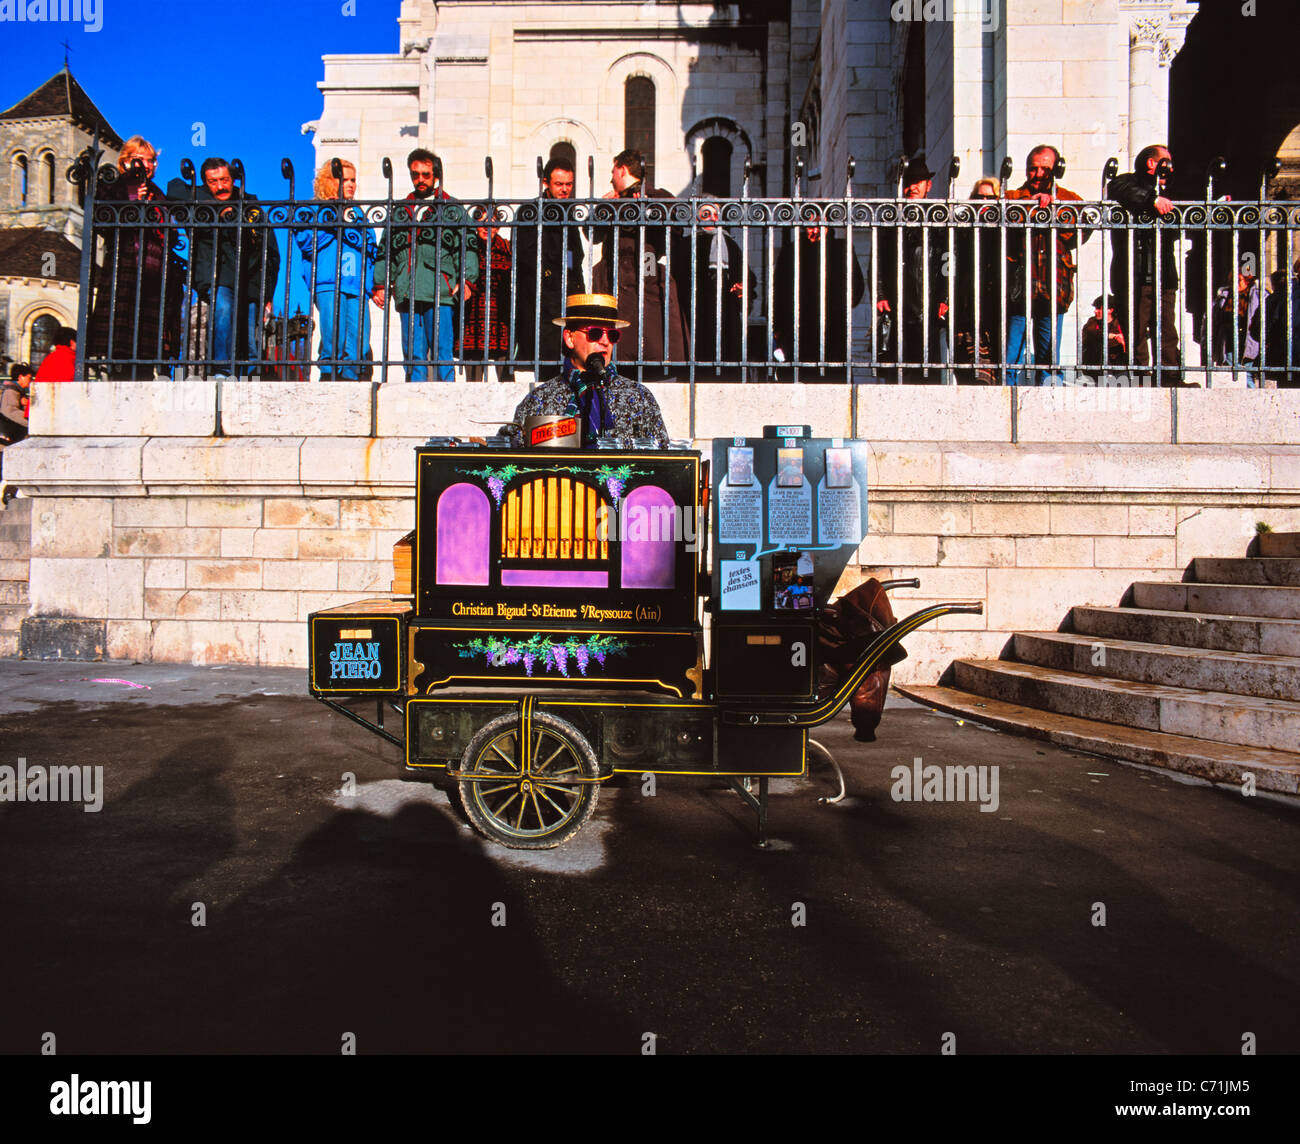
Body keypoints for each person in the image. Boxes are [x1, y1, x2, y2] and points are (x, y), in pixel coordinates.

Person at [505, 293, 669, 448]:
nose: (605, 341)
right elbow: (513, 451)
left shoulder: (638, 396)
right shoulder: (540, 399)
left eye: (612, 335)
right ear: (570, 338)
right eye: (595, 333)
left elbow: (661, 454)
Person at [375, 149, 478, 382]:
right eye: (415, 175)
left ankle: (447, 401)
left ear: (436, 175)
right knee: (412, 355)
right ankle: (413, 400)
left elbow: (469, 245)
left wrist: (467, 280)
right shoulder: (401, 210)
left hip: (439, 290)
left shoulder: (452, 208)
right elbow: (386, 248)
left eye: (426, 174)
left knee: (442, 355)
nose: (420, 180)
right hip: (406, 289)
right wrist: (380, 283)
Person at [87, 136, 185, 379]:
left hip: (157, 273)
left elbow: (170, 235)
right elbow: (101, 221)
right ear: (125, 161)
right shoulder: (114, 186)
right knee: (121, 340)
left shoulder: (158, 195)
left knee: (147, 343)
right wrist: (131, 201)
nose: (146, 165)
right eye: (139, 159)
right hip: (127, 269)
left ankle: (143, 375)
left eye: (150, 160)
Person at [593, 149, 688, 377]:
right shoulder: (613, 201)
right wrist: (603, 207)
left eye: (613, 171)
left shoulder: (657, 196)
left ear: (622, 169)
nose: (611, 177)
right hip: (614, 279)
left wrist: (649, 206)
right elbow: (593, 235)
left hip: (647, 275)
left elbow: (676, 229)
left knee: (651, 337)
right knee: (620, 341)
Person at [183, 157, 281, 378]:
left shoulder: (250, 205)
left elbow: (271, 251)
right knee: (225, 310)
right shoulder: (198, 201)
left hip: (251, 280)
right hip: (219, 276)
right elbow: (175, 188)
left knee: (250, 337)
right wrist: (215, 208)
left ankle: (250, 379)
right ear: (205, 183)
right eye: (213, 181)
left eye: (224, 180)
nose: (220, 186)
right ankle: (222, 370)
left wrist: (268, 292)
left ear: (233, 179)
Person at [1004, 145, 1085, 386]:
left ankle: (1047, 402)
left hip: (1054, 286)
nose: (1038, 174)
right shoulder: (1013, 197)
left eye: (1045, 169)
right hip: (1019, 287)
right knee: (1010, 356)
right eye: (1033, 169)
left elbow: (1079, 233)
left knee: (1049, 358)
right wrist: (1031, 205)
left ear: (1057, 170)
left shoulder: (1069, 198)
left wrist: (1054, 206)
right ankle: (1006, 398)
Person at [294, 159, 381, 380]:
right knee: (334, 335)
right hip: (328, 282)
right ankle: (329, 375)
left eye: (353, 180)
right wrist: (333, 216)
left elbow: (370, 251)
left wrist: (373, 285)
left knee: (359, 339)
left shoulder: (358, 214)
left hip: (357, 285)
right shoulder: (312, 209)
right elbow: (306, 242)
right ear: (328, 181)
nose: (351, 184)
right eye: (345, 179)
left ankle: (350, 378)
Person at [1108, 144, 1184, 385]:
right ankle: (1141, 376)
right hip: (1134, 271)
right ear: (1152, 163)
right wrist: (1152, 199)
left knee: (1167, 329)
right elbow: (1119, 188)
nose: (1170, 167)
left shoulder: (1170, 188)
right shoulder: (1126, 182)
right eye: (1166, 161)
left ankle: (1170, 374)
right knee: (1137, 328)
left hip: (1164, 272)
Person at [512, 157, 586, 368]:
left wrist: (576, 285)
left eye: (569, 184)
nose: (565, 189)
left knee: (567, 355)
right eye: (559, 184)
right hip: (538, 297)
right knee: (540, 358)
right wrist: (550, 271)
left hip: (567, 294)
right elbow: (524, 254)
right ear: (546, 182)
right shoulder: (530, 211)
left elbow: (576, 255)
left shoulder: (570, 211)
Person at [874, 155, 941, 381]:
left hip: (929, 305)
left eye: (918, 182)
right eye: (908, 182)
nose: (912, 188)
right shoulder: (892, 219)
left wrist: (946, 298)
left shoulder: (938, 218)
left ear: (928, 185)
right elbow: (878, 260)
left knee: (927, 368)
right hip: (897, 303)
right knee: (896, 368)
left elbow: (948, 261)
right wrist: (881, 293)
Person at [683, 198, 754, 380]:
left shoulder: (729, 244)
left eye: (716, 214)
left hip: (725, 308)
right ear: (697, 218)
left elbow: (747, 275)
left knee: (727, 357)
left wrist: (741, 286)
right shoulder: (688, 243)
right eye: (707, 214)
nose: (713, 219)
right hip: (696, 309)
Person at [948, 178, 1002, 384]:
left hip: (993, 314)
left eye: (991, 197)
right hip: (964, 311)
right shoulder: (961, 230)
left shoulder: (1003, 231)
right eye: (980, 197)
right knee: (964, 371)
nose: (985, 202)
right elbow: (949, 263)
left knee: (988, 376)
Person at [463, 206, 513, 382]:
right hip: (473, 315)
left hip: (500, 316)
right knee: (474, 377)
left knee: (505, 373)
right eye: (482, 223)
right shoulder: (468, 248)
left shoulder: (507, 248)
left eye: (492, 224)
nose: (486, 228)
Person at [1080, 295, 1127, 380]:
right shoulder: (1092, 322)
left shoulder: (1119, 323)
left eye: (1099, 308)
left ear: (1110, 310)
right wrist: (1112, 336)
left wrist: (1123, 342)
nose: (1095, 311)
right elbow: (1091, 332)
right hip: (1096, 364)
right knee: (1100, 345)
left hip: (1117, 365)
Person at [0, 364, 31, 444]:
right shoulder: (11, 391)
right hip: (6, 438)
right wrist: (31, 422)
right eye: (29, 378)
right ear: (21, 377)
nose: (30, 381)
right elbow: (10, 411)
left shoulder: (17, 391)